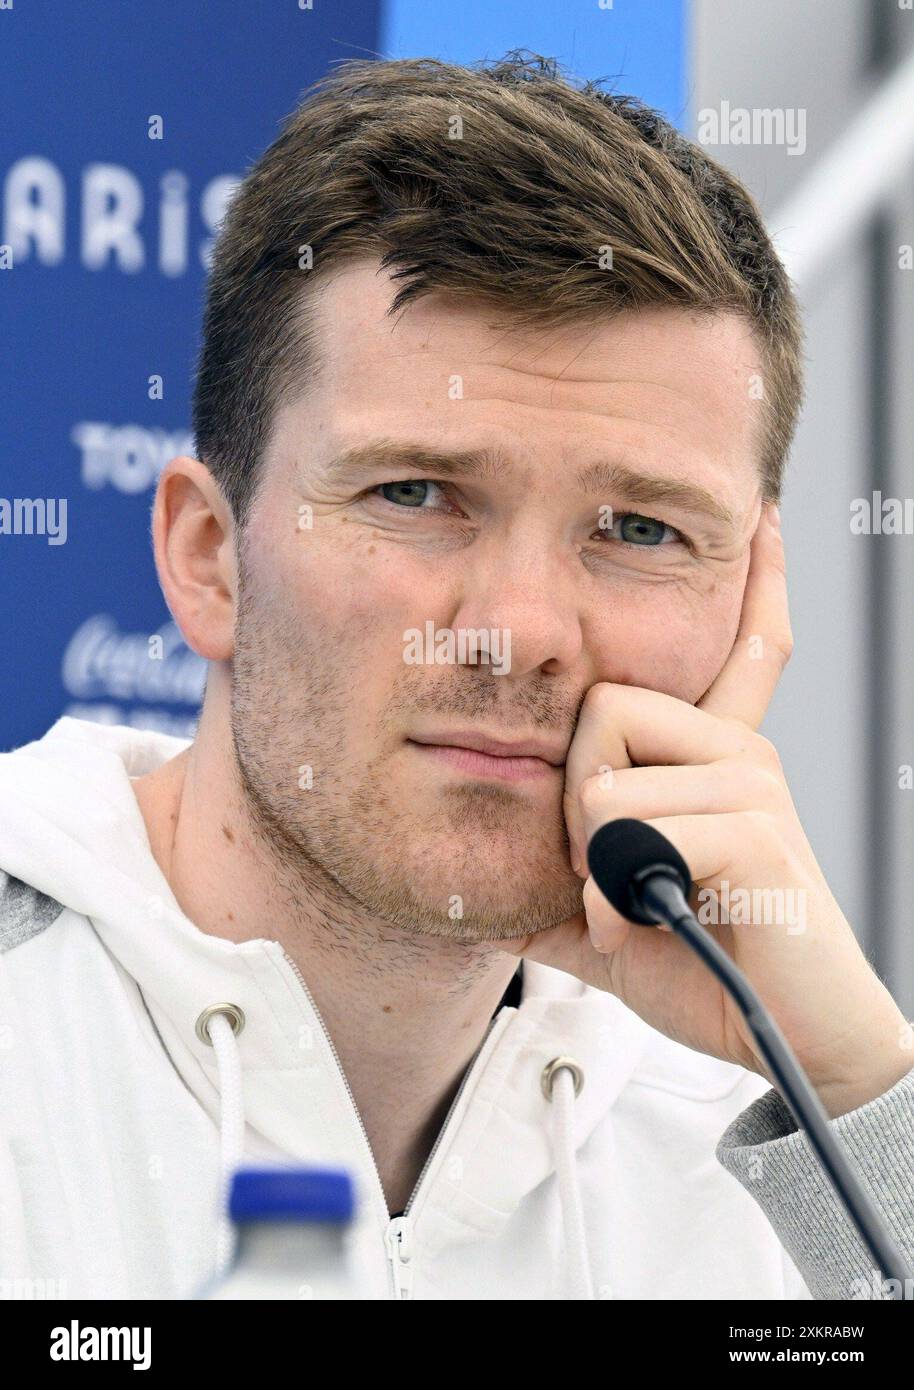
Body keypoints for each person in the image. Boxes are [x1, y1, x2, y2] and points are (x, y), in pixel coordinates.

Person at [1, 53, 912, 1302]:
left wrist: (861, 1100)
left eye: (639, 529)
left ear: (754, 607)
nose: (518, 628)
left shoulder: (777, 1145)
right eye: (416, 494)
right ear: (208, 559)